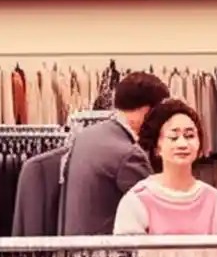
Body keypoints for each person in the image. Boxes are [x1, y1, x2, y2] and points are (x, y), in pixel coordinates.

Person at [60, 71, 170, 235]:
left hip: (74, 245)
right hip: (107, 248)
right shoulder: (129, 155)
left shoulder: (86, 136)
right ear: (147, 111)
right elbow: (156, 215)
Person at [113, 98, 217, 235]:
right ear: (156, 147)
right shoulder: (137, 200)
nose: (182, 144)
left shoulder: (216, 201)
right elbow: (127, 248)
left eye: (190, 136)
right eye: (173, 137)